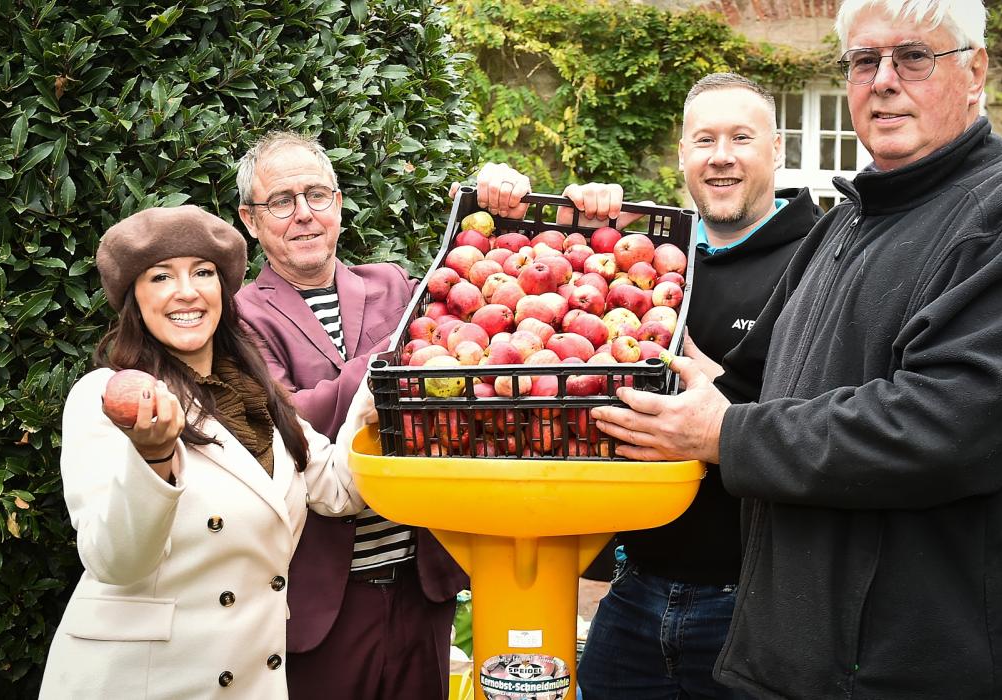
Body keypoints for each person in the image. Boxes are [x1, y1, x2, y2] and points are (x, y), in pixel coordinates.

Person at [591, 1, 1002, 697]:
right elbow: (745, 389)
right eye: (865, 60)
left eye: (913, 57)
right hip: (798, 667)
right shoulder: (842, 231)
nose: (884, 79)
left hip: (935, 673)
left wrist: (725, 431)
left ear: (975, 70)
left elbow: (941, 430)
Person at [233, 130, 532, 699]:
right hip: (326, 598)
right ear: (251, 220)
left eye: (317, 195)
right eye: (280, 202)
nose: (303, 214)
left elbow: (486, 323)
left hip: (421, 581)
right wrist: (391, 362)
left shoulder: (391, 282)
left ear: (339, 204)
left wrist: (495, 195)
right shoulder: (242, 317)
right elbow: (290, 418)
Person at [40, 205, 370, 698]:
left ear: (223, 291)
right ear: (135, 298)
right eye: (160, 277)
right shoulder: (104, 397)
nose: (187, 291)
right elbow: (115, 562)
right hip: (140, 681)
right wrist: (152, 460)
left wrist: (379, 395)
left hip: (247, 679)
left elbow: (340, 491)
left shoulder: (260, 396)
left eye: (203, 273)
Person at [571, 74, 822, 699]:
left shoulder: (824, 258)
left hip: (756, 601)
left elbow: (835, 418)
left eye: (741, 136)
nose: (721, 155)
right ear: (681, 154)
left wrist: (729, 396)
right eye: (703, 139)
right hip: (638, 589)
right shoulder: (654, 256)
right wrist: (575, 221)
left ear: (778, 148)